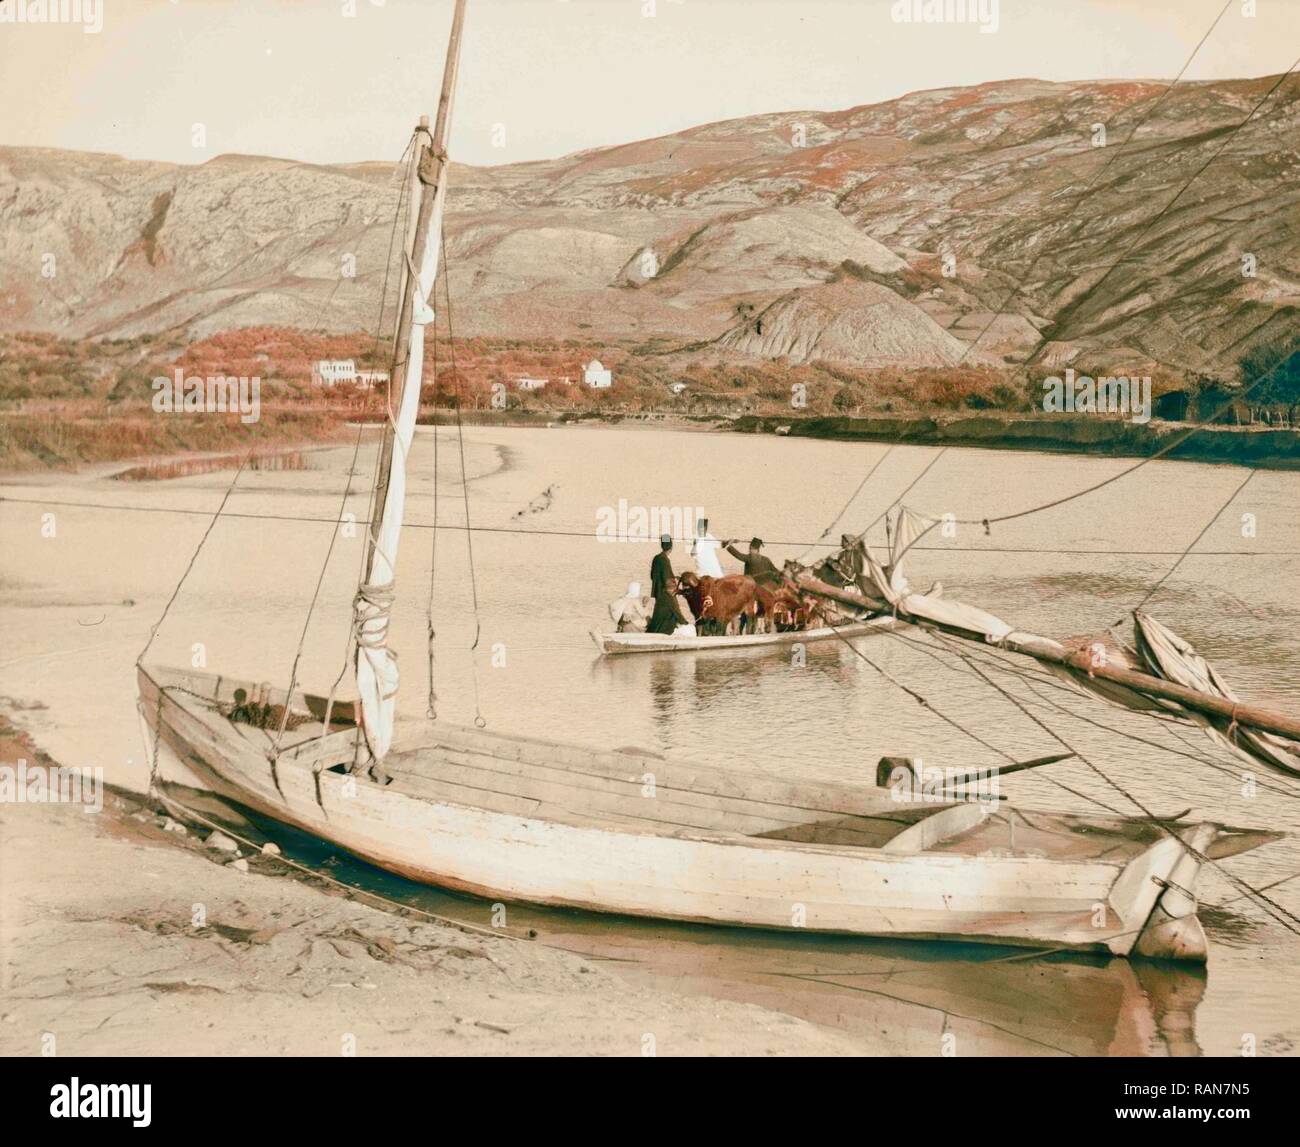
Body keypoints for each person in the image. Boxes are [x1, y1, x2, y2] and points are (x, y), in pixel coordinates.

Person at [648, 533, 688, 635]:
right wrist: (677, 590)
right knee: (674, 610)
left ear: (662, 545)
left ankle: (656, 633)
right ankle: (685, 626)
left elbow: (653, 575)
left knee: (660, 616)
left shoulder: (656, 558)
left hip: (659, 592)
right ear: (671, 546)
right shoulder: (664, 560)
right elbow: (667, 579)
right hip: (666, 593)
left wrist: (674, 578)